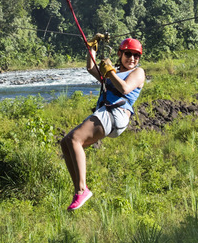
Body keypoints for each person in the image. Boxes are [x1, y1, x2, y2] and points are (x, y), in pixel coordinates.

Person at [58, 36, 145, 211]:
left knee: (75, 139)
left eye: (136, 55)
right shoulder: (113, 73)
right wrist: (92, 49)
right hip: (107, 114)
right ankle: (78, 190)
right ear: (120, 54)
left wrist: (110, 71)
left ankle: (83, 189)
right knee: (66, 142)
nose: (132, 59)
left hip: (116, 113)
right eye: (128, 54)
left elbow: (125, 89)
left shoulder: (137, 72)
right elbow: (91, 68)